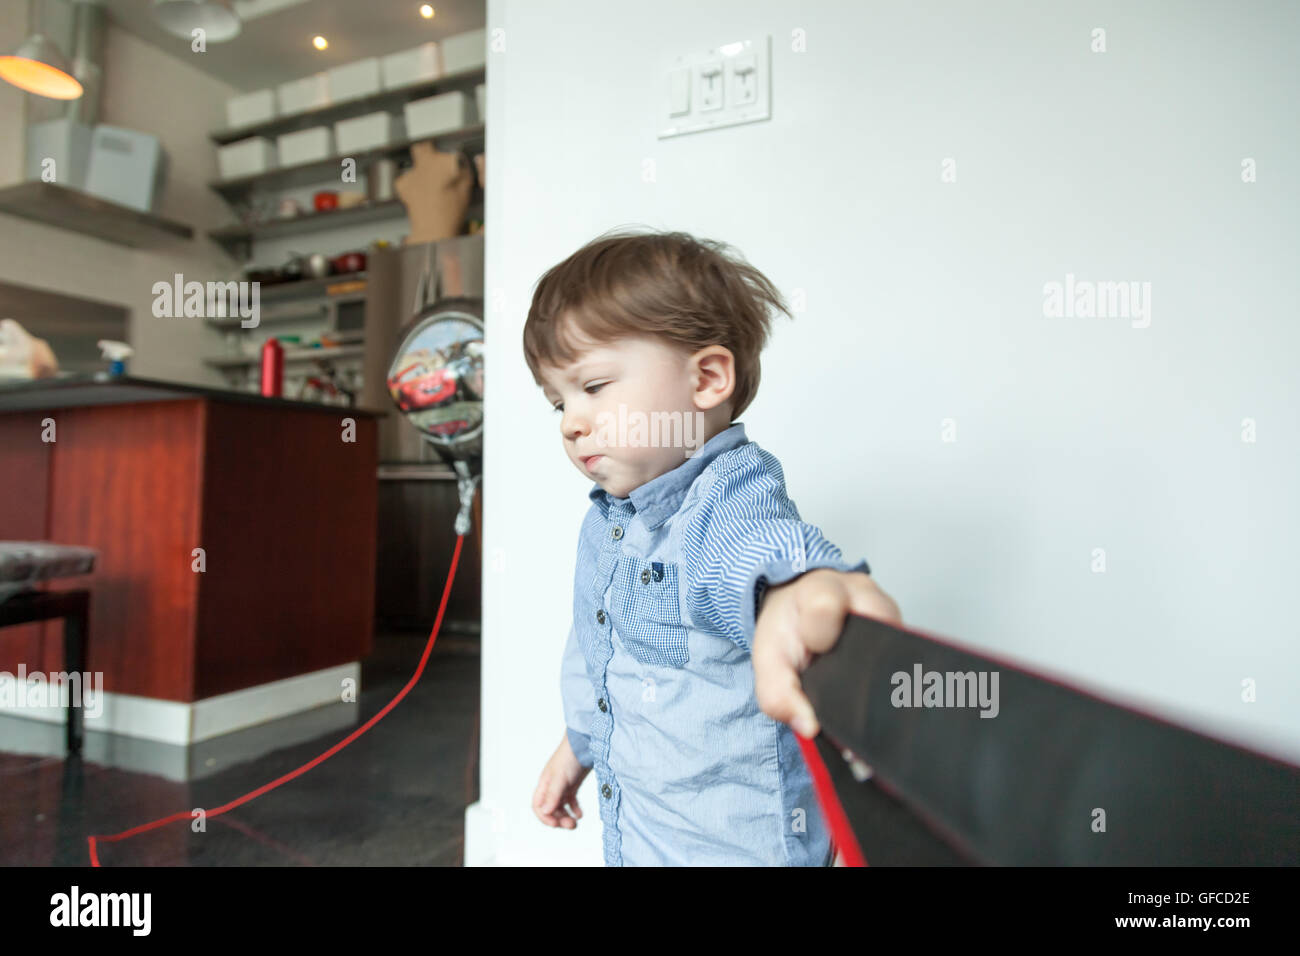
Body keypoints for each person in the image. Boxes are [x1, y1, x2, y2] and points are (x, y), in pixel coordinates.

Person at [526, 228, 901, 865]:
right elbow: (600, 646)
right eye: (556, 400)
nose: (570, 421)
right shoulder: (607, 521)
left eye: (592, 388)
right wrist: (578, 743)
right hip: (642, 834)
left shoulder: (725, 497)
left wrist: (802, 588)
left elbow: (756, 554)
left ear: (706, 379)